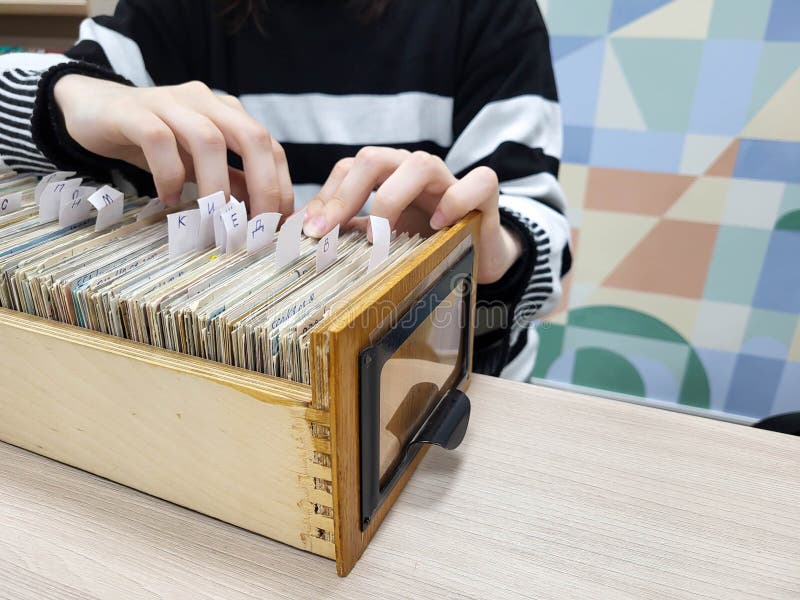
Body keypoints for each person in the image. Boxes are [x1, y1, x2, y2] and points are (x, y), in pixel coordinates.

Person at [0, 0, 571, 380]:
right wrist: (73, 97)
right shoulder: (171, 9)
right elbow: (31, 110)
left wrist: (481, 253)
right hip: (198, 383)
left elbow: (539, 229)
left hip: (442, 385)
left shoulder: (489, 12)